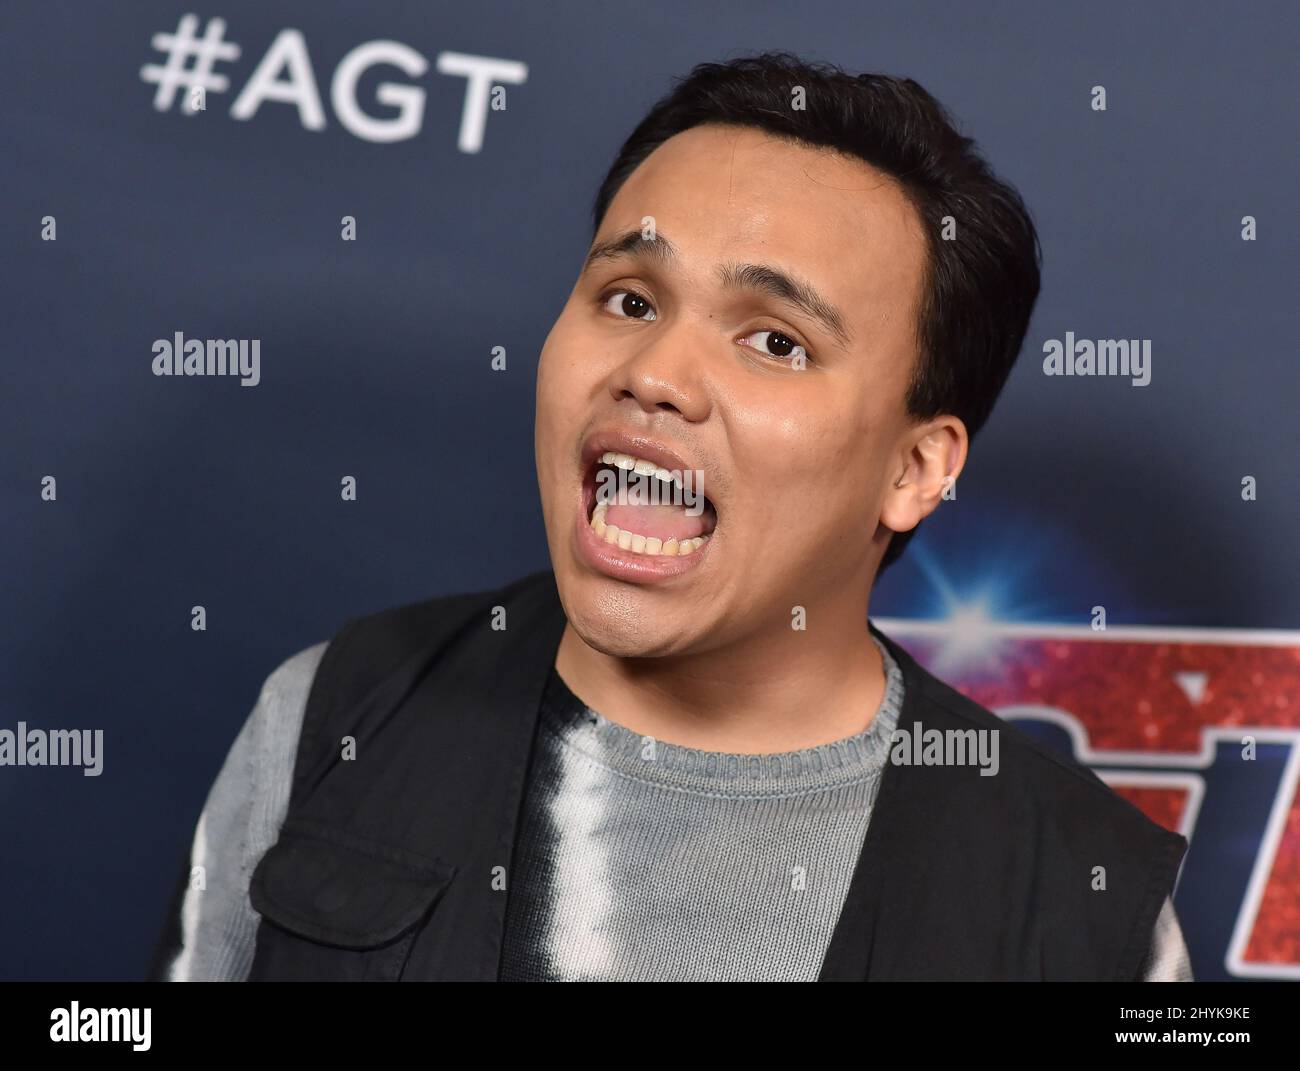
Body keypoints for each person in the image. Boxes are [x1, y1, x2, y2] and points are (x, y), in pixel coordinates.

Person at [150, 52, 1192, 982]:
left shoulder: (1077, 903)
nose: (655, 374)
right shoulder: (332, 715)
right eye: (630, 300)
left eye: (775, 341)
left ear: (915, 469)